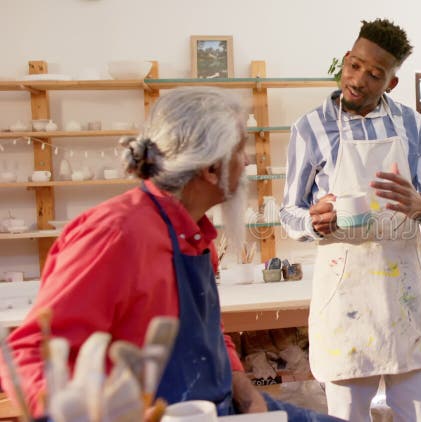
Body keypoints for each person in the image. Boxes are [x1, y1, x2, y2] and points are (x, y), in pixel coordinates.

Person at [0, 87, 341, 421]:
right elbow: (28, 354)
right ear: (211, 169)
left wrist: (247, 392)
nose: (247, 160)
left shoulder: (197, 234)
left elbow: (210, 333)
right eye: (240, 150)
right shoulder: (116, 234)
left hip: (222, 406)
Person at [280, 18, 421, 422]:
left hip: (405, 296)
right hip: (344, 298)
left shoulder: (413, 126)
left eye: (374, 74)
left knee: (419, 413)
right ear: (345, 60)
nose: (358, 80)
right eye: (354, 66)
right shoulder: (310, 128)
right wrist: (312, 220)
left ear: (391, 83)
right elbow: (289, 212)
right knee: (346, 415)